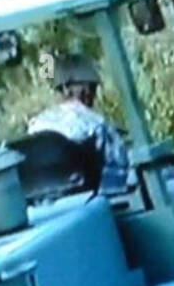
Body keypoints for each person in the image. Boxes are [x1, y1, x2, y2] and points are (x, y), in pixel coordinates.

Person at [28, 54, 129, 193]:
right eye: (90, 87)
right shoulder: (95, 123)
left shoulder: (36, 125)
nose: (91, 93)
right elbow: (123, 165)